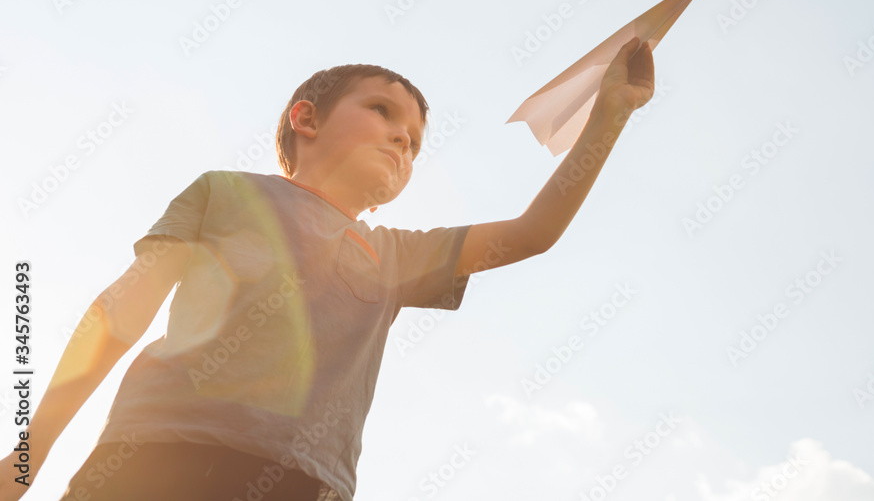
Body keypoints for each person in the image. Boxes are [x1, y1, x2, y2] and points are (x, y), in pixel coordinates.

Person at [0, 37, 655, 501]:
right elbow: (119, 314)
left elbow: (531, 234)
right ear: (305, 119)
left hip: (304, 486)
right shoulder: (225, 193)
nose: (404, 138)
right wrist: (29, 456)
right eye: (383, 111)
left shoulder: (397, 255)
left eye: (417, 142)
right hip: (155, 459)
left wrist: (612, 112)